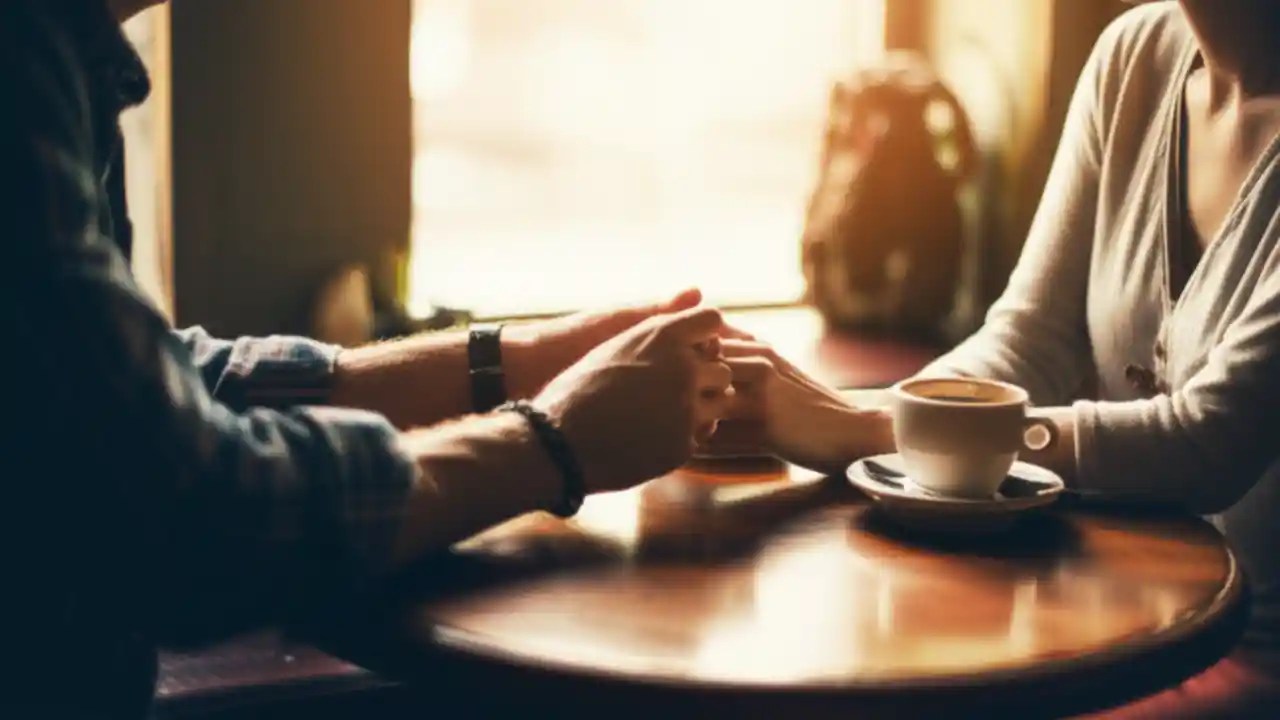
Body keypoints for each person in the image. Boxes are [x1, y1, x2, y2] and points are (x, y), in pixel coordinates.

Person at [0, 1, 770, 716]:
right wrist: (553, 439)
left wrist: (514, 360)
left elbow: (124, 396)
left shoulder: (61, 50)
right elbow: (188, 515)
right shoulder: (20, 67)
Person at [728, 0, 1280, 715]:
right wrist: (835, 409)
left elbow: (1208, 444)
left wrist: (867, 432)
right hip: (1115, 615)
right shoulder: (1135, 55)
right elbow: (1028, 342)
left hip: (1251, 659)